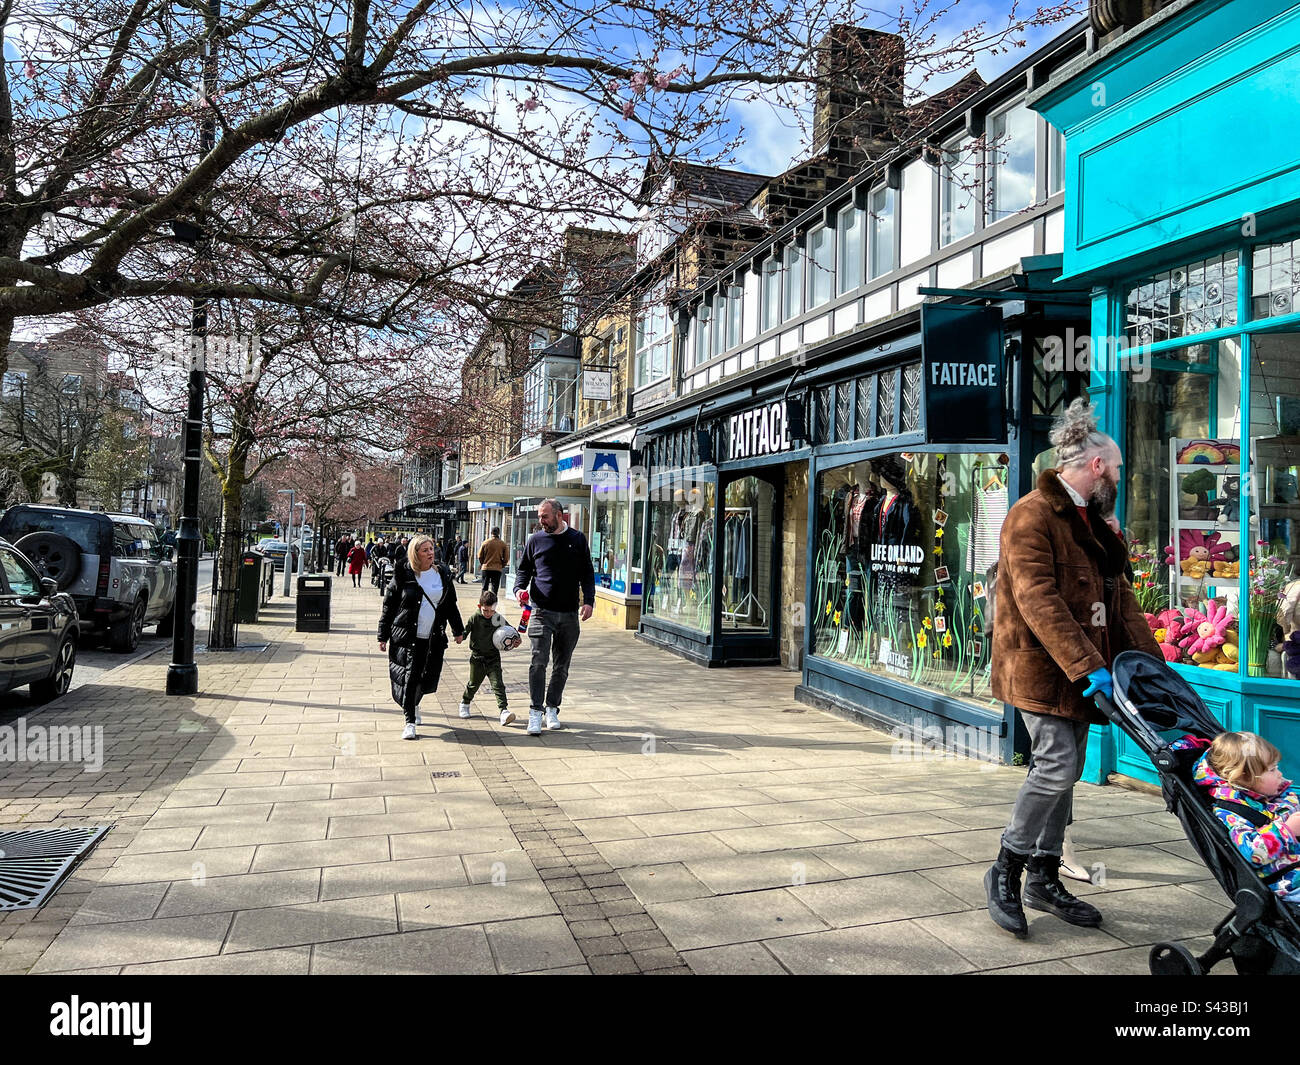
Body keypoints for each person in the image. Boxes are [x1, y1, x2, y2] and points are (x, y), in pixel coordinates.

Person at [985, 398, 1160, 936]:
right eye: (1119, 471)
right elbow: (1037, 599)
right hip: (1041, 668)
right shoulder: (1031, 514)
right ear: (1097, 467)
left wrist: (1152, 670)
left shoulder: (1095, 523)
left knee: (1069, 770)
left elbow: (1121, 598)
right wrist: (1090, 667)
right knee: (1057, 764)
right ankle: (1005, 869)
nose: (1120, 481)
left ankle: (1043, 876)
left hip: (1085, 672)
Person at [1172, 731, 1300, 902]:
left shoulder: (1275, 796)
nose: (1279, 774)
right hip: (1288, 882)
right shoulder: (1231, 812)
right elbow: (1252, 852)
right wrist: (1287, 830)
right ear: (1243, 778)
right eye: (1272, 769)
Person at [514, 498, 595, 736]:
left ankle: (552, 708)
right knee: (538, 662)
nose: (541, 521)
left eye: (545, 516)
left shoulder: (577, 539)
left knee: (561, 667)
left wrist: (589, 601)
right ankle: (535, 711)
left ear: (560, 515)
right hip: (540, 611)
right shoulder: (535, 540)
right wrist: (519, 590)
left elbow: (587, 573)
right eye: (540, 516)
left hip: (569, 614)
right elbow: (524, 570)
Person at [377, 534, 465, 740]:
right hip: (408, 635)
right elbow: (389, 606)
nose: (430, 553)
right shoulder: (403, 574)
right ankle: (409, 721)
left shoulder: (442, 574)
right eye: (425, 550)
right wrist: (382, 635)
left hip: (433, 635)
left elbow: (450, 604)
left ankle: (415, 703)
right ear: (415, 554)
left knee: (427, 677)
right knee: (410, 676)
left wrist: (458, 630)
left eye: (431, 549)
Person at [458, 589, 519, 726]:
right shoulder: (474, 618)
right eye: (485, 610)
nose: (489, 613)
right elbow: (465, 631)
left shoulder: (497, 618)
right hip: (477, 658)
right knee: (473, 684)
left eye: (491, 610)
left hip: (493, 658)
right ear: (480, 607)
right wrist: (460, 636)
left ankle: (504, 711)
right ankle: (465, 702)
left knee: (498, 685)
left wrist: (516, 640)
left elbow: (511, 631)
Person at [479, 526, 507, 595]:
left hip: (486, 567)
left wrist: (483, 563)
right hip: (497, 568)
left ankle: (483, 603)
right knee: (495, 589)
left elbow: (480, 556)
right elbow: (506, 558)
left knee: (484, 587)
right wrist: (502, 565)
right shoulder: (503, 544)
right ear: (499, 533)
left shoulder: (485, 543)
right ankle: (493, 604)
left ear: (491, 533)